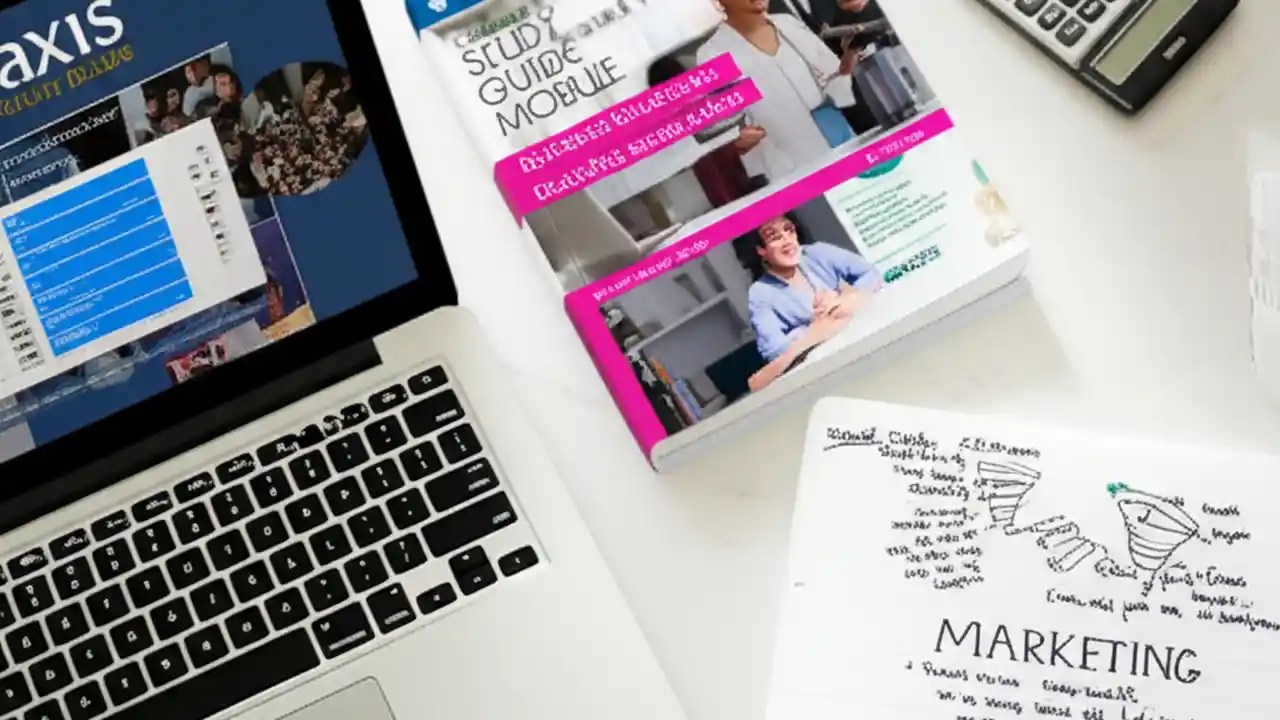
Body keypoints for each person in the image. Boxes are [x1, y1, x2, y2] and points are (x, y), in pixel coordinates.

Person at [697, 0, 858, 184]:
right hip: (791, 174)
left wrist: (851, 54)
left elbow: (838, 85)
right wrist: (737, 140)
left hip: (844, 148)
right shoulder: (712, 54)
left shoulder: (788, 23)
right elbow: (726, 130)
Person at [744, 214, 881, 391]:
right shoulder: (760, 294)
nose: (787, 240)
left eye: (789, 230)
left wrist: (845, 300)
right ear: (760, 250)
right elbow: (774, 351)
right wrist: (814, 328)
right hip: (825, 371)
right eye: (775, 237)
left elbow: (871, 274)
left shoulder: (817, 252)